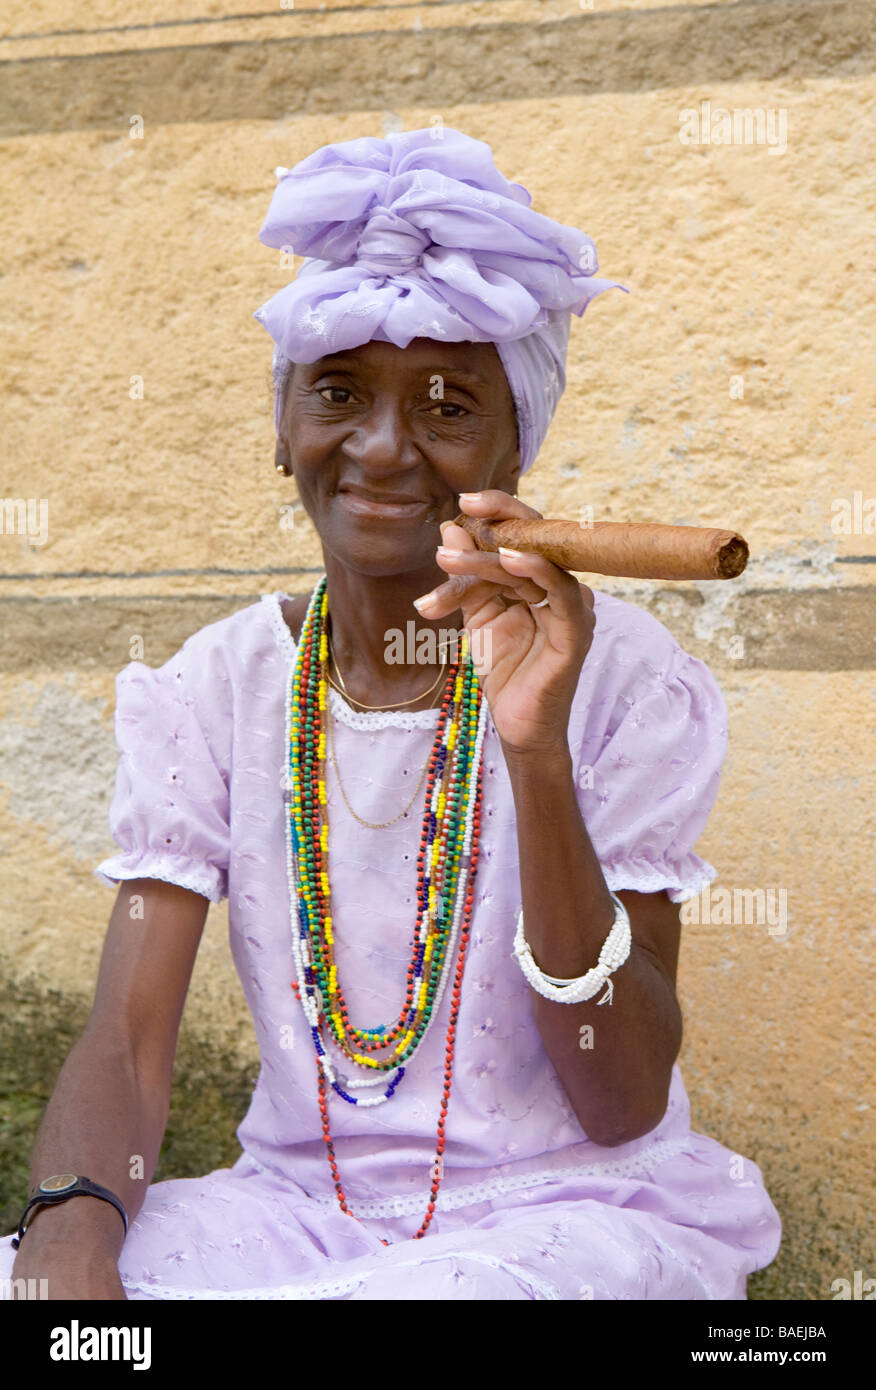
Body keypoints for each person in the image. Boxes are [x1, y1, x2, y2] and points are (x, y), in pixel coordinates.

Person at [1, 127, 781, 1300]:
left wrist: (535, 752)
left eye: (446, 403)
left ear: (515, 445)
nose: (380, 446)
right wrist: (65, 1246)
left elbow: (619, 1099)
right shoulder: (212, 691)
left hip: (569, 1216)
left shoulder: (625, 683)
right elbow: (126, 1035)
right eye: (335, 391)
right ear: (282, 432)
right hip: (295, 1217)